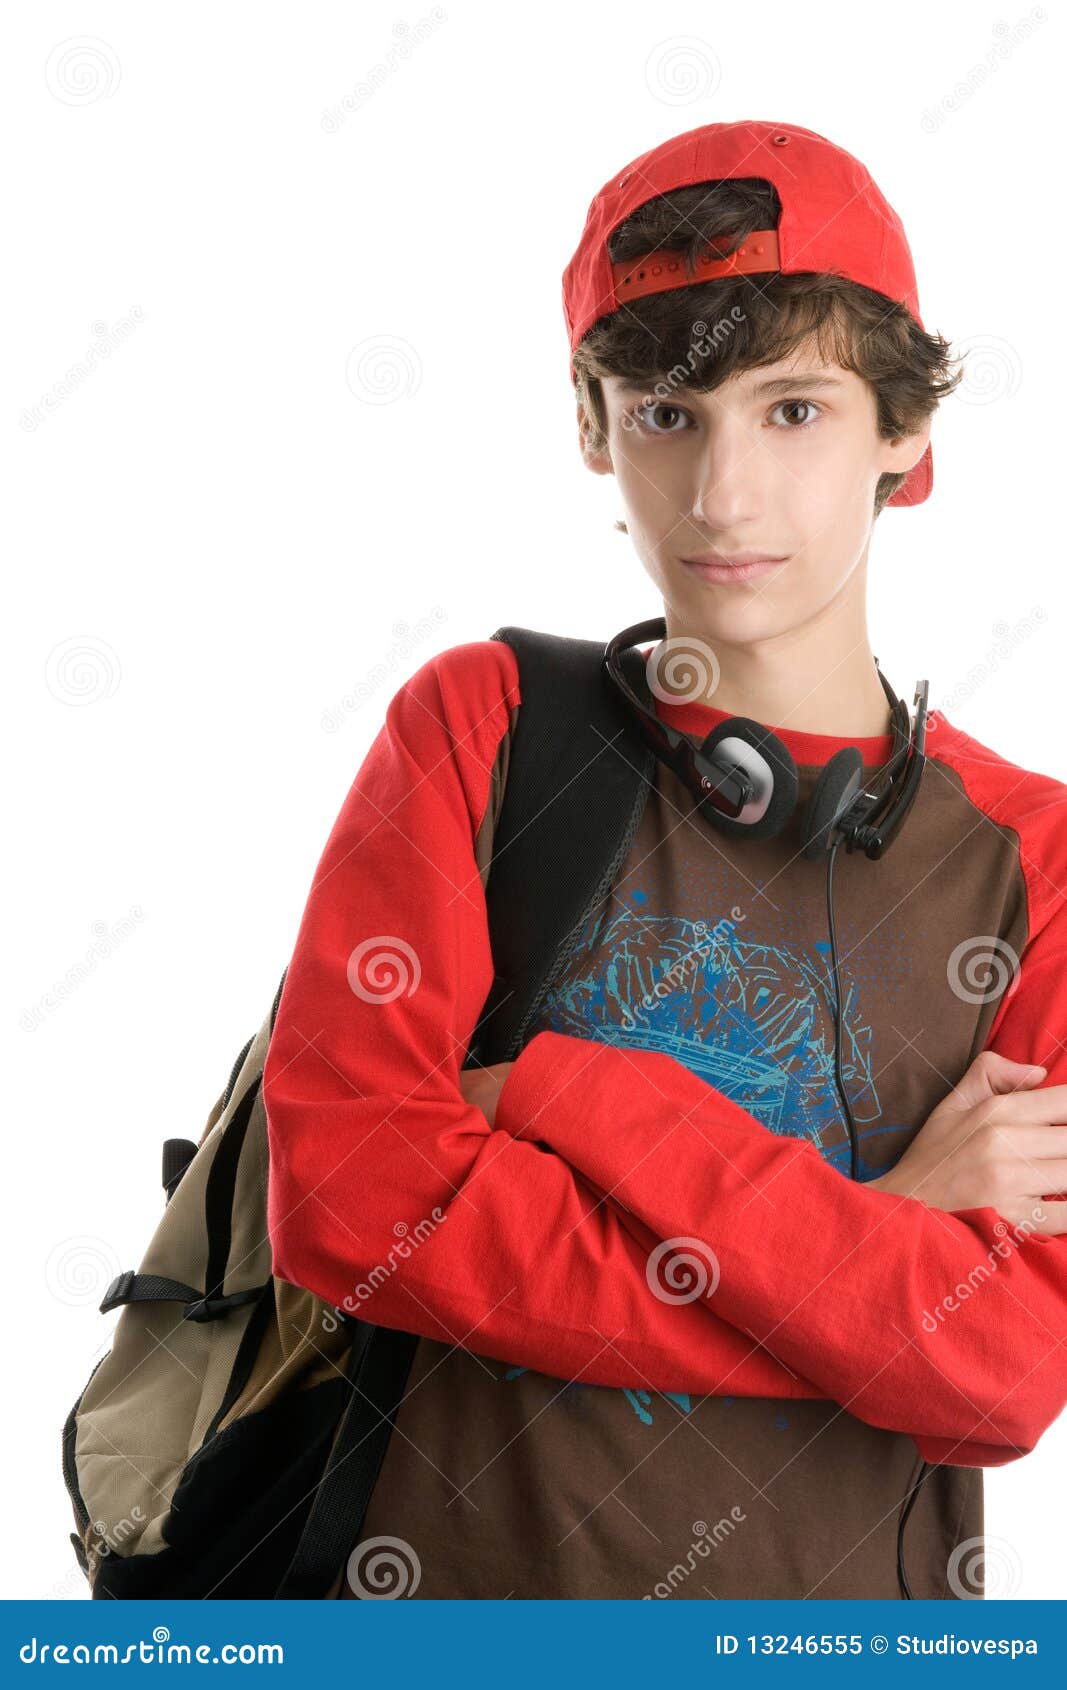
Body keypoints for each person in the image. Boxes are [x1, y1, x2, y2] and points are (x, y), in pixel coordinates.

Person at [262, 119, 1067, 1601]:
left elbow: (1007, 1364)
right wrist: (879, 1241)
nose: (722, 495)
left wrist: (581, 1097)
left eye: (795, 411)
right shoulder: (484, 730)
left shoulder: (1041, 862)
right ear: (592, 424)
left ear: (910, 435)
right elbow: (351, 1203)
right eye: (667, 412)